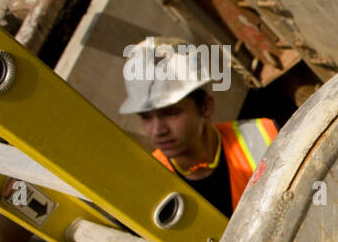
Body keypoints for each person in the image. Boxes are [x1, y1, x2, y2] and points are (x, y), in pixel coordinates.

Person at [118, 36, 277, 218]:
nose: (157, 131)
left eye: (171, 113)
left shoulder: (268, 136)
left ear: (205, 107)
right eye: (146, 117)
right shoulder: (148, 183)